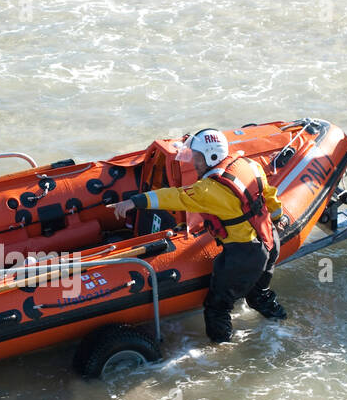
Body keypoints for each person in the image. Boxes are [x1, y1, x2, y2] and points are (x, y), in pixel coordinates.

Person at [113, 128, 287, 344]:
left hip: (244, 255)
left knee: (217, 306)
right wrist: (279, 217)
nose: (193, 163)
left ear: (211, 156)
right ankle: (281, 324)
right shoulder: (249, 165)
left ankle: (222, 349)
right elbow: (269, 195)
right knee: (259, 294)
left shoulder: (208, 190)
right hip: (270, 239)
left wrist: (134, 202)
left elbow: (174, 197)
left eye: (196, 158)